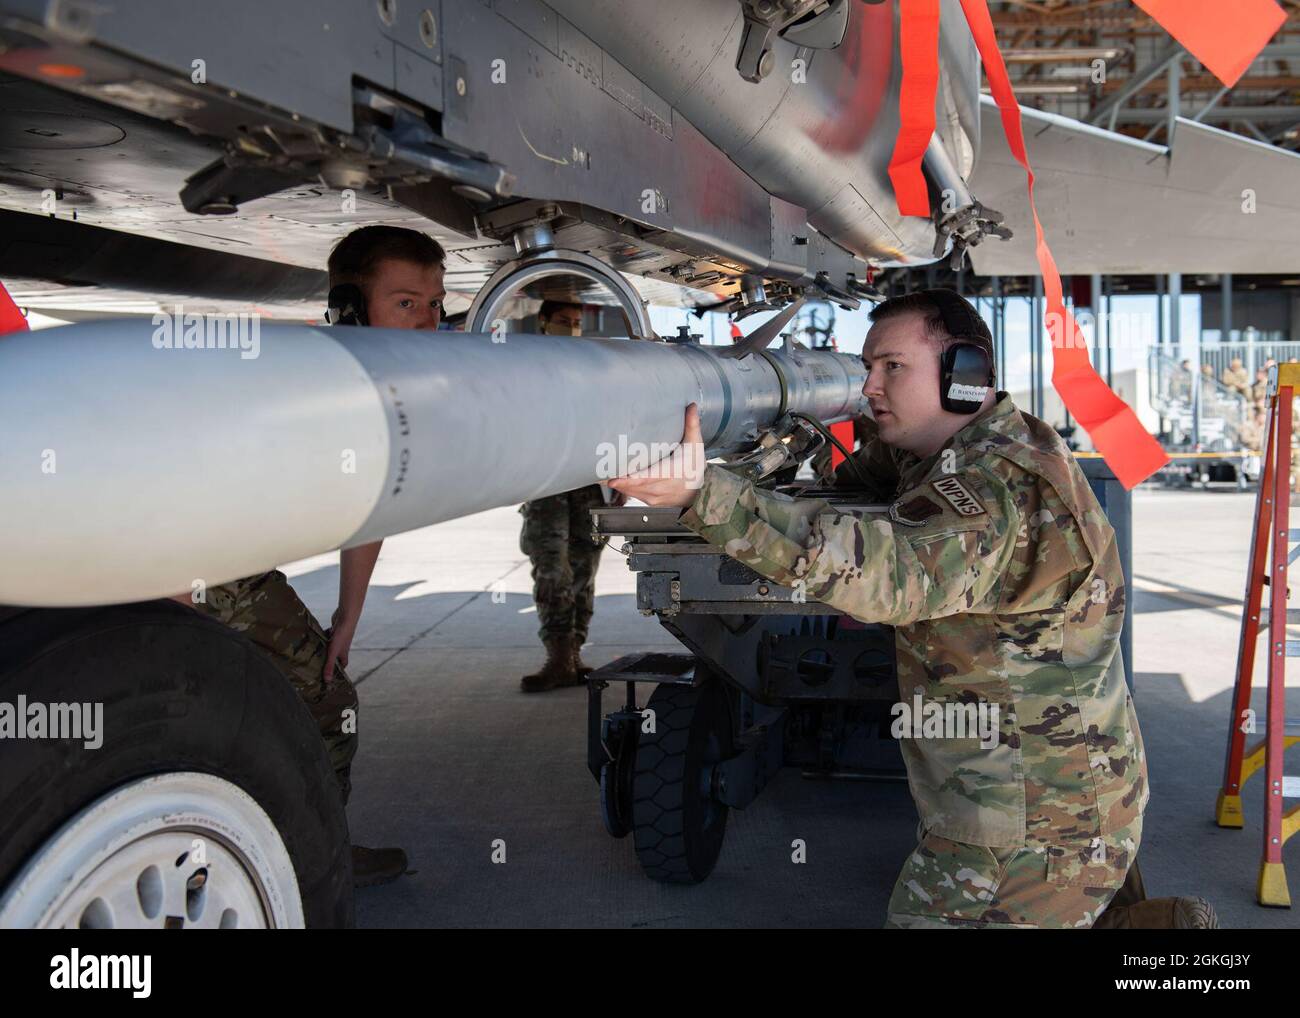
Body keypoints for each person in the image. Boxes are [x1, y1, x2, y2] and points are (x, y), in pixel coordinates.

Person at [610, 288, 1215, 929]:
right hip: (1054, 791)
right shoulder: (975, 442)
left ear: (966, 375)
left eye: (891, 367)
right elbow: (877, 477)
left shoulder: (998, 489)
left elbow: (886, 576)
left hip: (1030, 821)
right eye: (869, 367)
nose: (870, 386)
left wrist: (705, 493)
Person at [177, 225, 447, 886]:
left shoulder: (379, 385)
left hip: (232, 561)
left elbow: (373, 502)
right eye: (407, 303)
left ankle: (305, 847)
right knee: (313, 709)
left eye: (436, 305)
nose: (428, 324)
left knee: (321, 701)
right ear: (352, 308)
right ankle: (299, 860)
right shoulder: (307, 378)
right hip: (194, 556)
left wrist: (349, 615)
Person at [518, 300, 622, 692]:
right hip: (547, 484)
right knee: (551, 568)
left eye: (577, 323)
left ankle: (573, 655)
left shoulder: (589, 369)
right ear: (543, 322)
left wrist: (616, 482)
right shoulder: (530, 366)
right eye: (564, 321)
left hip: (586, 482)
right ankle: (559, 655)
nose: (572, 329)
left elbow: (607, 424)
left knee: (584, 568)